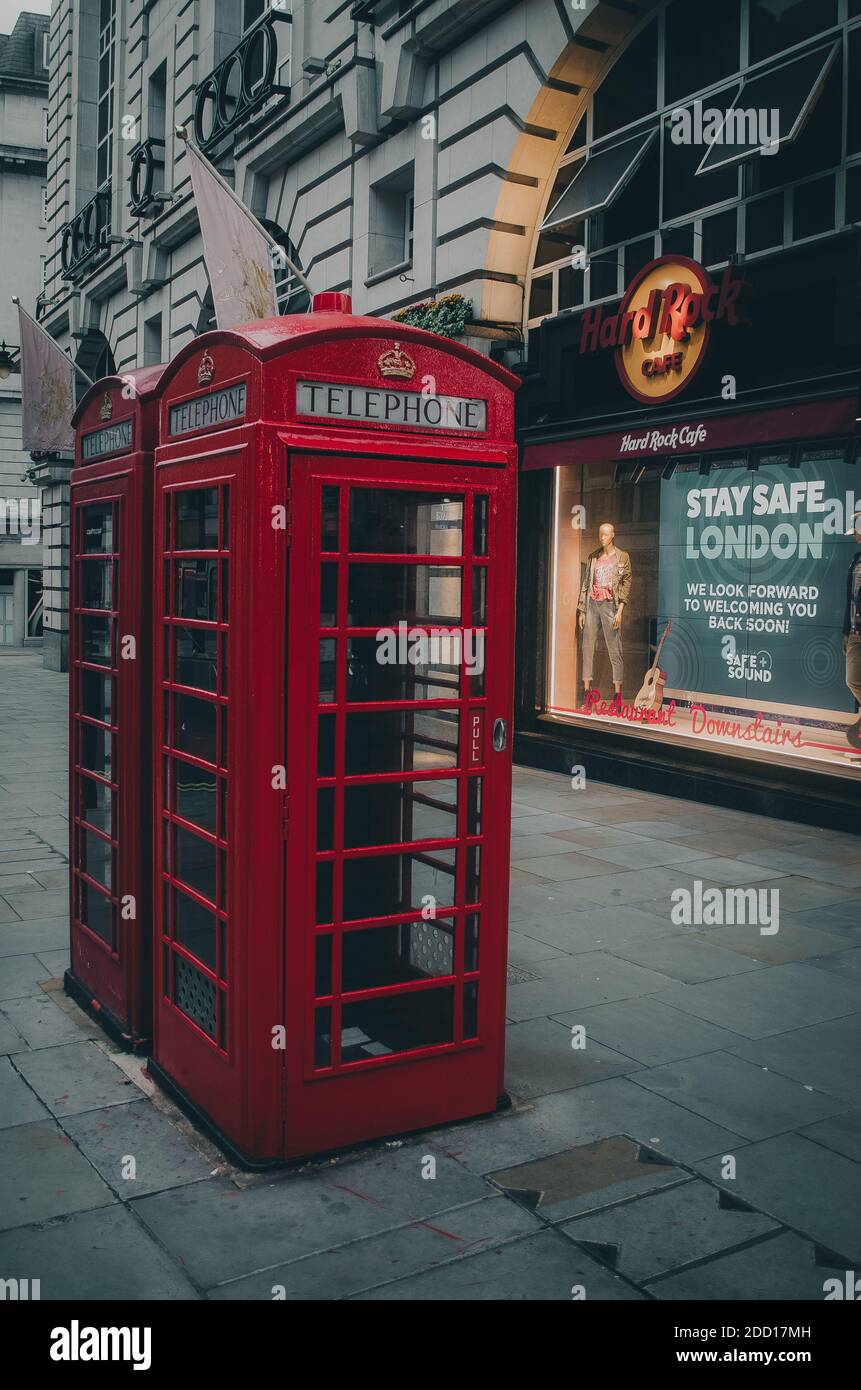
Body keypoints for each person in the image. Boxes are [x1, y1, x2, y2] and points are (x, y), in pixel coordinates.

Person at [577, 522, 632, 697]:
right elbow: (586, 584)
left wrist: (620, 611)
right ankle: (587, 691)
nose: (602, 537)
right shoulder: (593, 557)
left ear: (612, 535)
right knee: (587, 647)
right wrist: (582, 610)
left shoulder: (622, 557)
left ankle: (617, 694)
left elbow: (626, 584)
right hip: (592, 604)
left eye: (606, 534)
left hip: (610, 605)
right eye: (600, 534)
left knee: (615, 648)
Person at [844, 507, 861, 750]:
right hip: (856, 632)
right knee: (853, 680)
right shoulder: (856, 559)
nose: (856, 537)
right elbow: (849, 597)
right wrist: (845, 631)